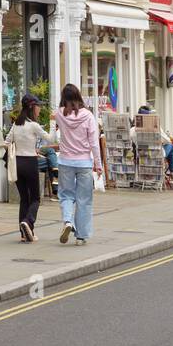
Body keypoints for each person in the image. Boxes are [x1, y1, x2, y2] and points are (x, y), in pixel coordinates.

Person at [55, 84, 102, 245]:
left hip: (65, 161)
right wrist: (99, 164)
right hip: (84, 163)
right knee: (84, 199)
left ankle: (68, 221)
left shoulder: (59, 114)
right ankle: (81, 236)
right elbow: (94, 143)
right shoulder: (88, 116)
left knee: (66, 195)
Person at [6, 94, 53, 242]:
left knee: (24, 199)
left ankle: (24, 233)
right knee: (35, 198)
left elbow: (7, 141)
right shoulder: (33, 125)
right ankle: (28, 221)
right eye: (38, 106)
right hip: (30, 163)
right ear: (32, 107)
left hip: (17, 164)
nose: (40, 109)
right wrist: (53, 123)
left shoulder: (16, 125)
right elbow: (51, 139)